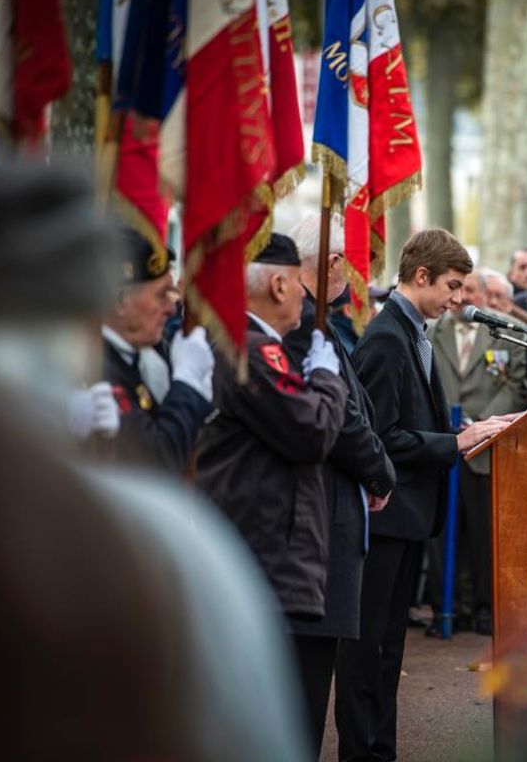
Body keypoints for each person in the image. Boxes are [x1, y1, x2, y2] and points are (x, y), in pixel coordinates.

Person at [0, 150, 312, 761]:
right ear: (103, 300)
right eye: (158, 293)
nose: (171, 306)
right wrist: (184, 393)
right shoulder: (162, 547)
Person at [337, 228, 508, 762]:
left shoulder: (414, 332)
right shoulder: (389, 337)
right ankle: (362, 751)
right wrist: (455, 442)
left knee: (389, 650)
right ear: (420, 277)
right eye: (453, 286)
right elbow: (380, 435)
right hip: (385, 516)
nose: (460, 299)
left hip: (408, 516)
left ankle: (380, 749)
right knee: (368, 651)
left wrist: (463, 432)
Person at [195, 234, 349, 760]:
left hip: (264, 544)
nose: (307, 299)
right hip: (259, 548)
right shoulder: (250, 348)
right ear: (279, 282)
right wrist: (327, 378)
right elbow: (312, 432)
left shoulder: (260, 346)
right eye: (300, 287)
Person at [286, 215, 397, 755]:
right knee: (300, 697)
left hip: (325, 519)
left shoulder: (321, 322)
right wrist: (380, 469)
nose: (358, 282)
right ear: (332, 262)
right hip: (313, 523)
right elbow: (343, 422)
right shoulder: (304, 324)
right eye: (355, 267)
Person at [428, 271, 527, 636]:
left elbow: (515, 382)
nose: (460, 297)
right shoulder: (431, 332)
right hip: (444, 442)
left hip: (485, 445)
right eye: (455, 290)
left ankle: (485, 607)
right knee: (441, 535)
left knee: (483, 531)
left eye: (468, 290)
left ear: (484, 295)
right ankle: (446, 608)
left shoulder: (505, 331)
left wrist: (481, 423)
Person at [101, 227, 214, 473]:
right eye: (161, 295)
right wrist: (187, 384)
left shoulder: (134, 358)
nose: (171, 309)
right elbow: (155, 461)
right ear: (121, 302)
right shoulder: (97, 366)